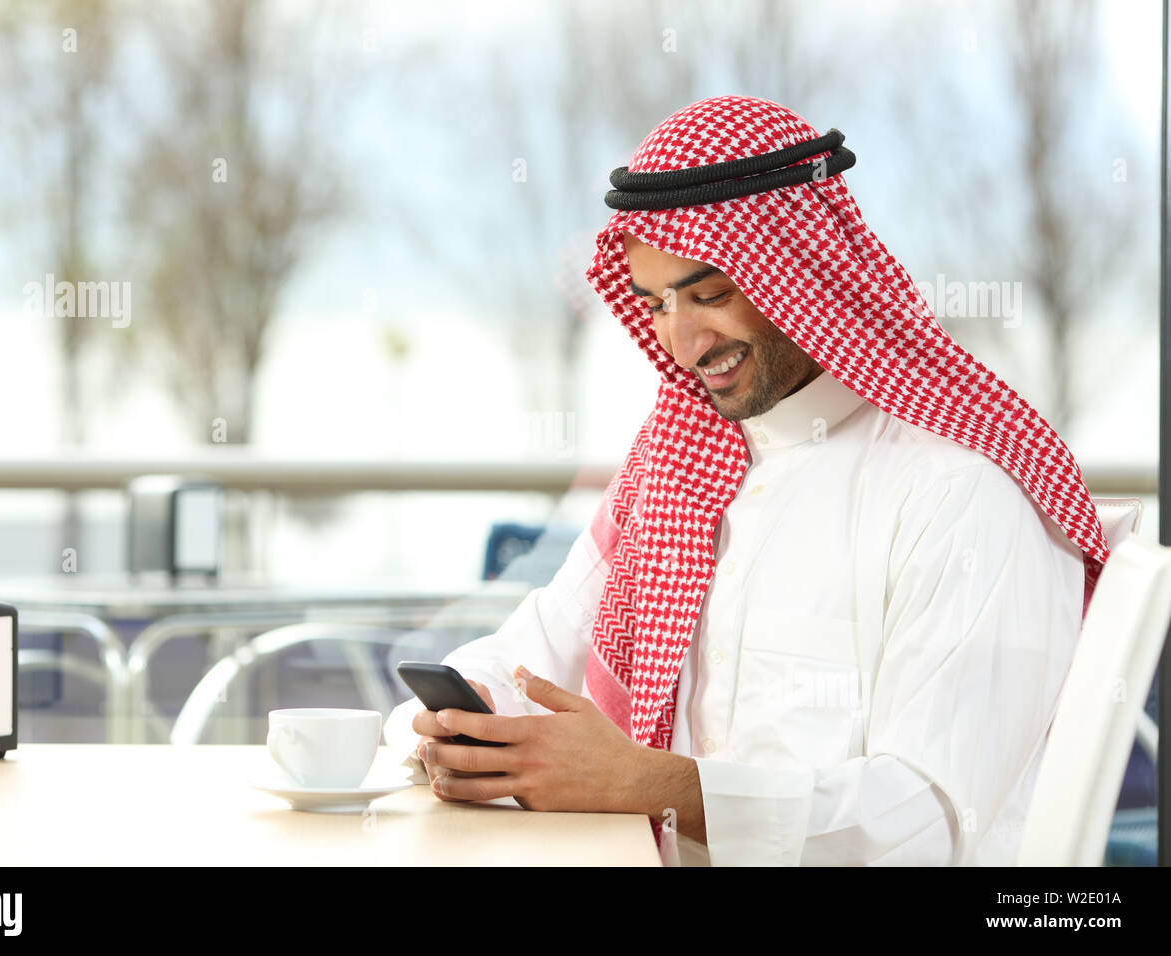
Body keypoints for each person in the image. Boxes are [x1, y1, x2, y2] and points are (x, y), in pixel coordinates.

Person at [384, 95, 1109, 866]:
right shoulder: (678, 464)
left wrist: (653, 787)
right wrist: (457, 729)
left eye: (709, 293)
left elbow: (922, 820)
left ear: (806, 272)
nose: (684, 341)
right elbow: (523, 655)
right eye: (656, 304)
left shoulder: (960, 494)